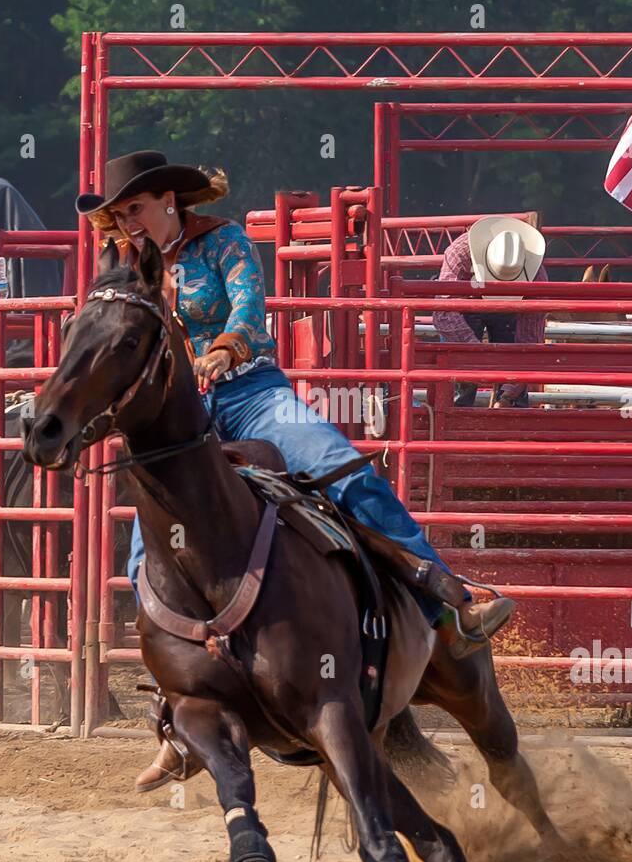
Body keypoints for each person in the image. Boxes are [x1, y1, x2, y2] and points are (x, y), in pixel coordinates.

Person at [76, 152, 515, 791]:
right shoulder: (127, 273)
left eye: (134, 209)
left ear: (169, 201)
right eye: (119, 216)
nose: (128, 224)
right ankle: (174, 717)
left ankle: (448, 604)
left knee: (342, 469)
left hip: (250, 396)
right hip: (177, 421)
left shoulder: (224, 242)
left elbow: (249, 312)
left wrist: (227, 346)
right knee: (146, 558)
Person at [434, 214, 548, 408]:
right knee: (461, 371)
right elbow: (445, 311)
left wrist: (511, 390)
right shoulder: (460, 253)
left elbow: (529, 338)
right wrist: (474, 353)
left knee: (511, 375)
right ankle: (457, 418)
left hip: (504, 307)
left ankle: (510, 413)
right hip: (466, 306)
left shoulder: (534, 273)